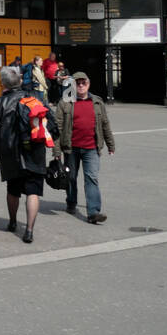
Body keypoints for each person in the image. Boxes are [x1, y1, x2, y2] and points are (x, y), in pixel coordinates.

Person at [0, 65, 59, 244]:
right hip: (35, 151)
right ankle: (29, 230)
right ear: (20, 80)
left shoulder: (0, 103)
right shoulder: (35, 98)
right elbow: (53, 123)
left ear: (3, 83)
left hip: (11, 153)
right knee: (33, 191)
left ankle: (12, 222)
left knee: (13, 190)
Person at [55, 72, 115, 224]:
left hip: (91, 148)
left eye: (84, 82)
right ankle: (71, 202)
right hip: (71, 148)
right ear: (73, 85)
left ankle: (93, 212)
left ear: (88, 84)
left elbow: (105, 124)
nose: (81, 85)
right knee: (71, 178)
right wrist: (56, 151)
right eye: (78, 83)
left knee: (92, 178)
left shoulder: (97, 102)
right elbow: (57, 128)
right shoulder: (65, 102)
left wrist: (110, 144)